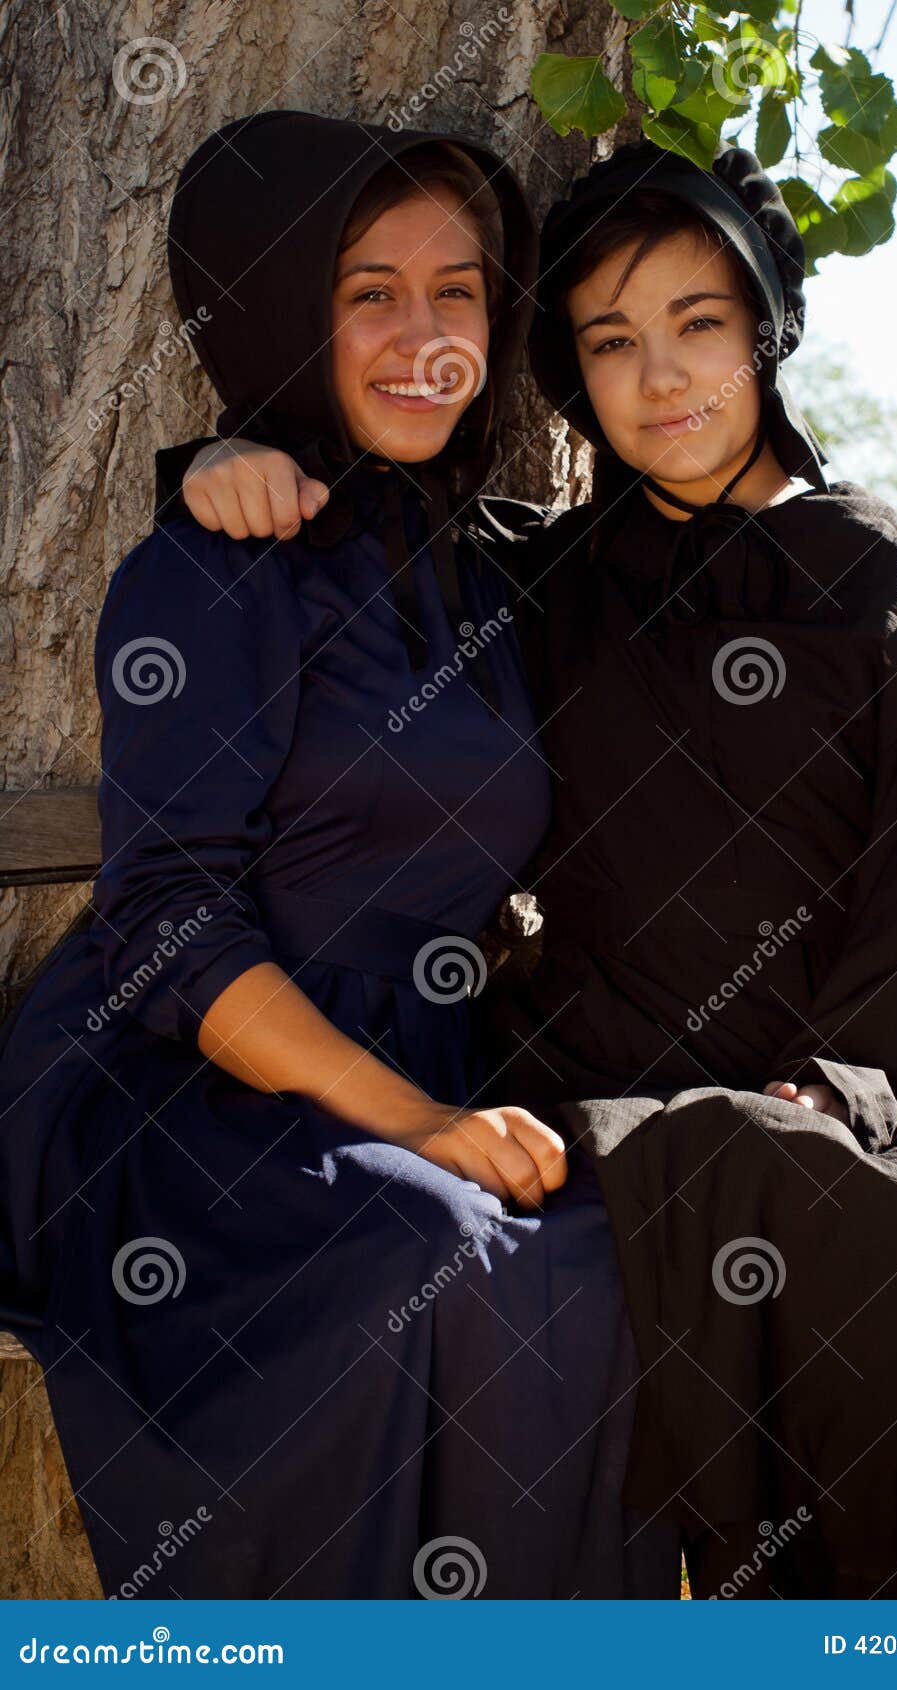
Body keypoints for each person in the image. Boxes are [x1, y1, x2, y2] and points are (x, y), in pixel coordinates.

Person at [169, 145, 897, 1600]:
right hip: (590, 1072)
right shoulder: (535, 577)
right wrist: (211, 456)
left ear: (766, 328)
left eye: (698, 323)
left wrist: (836, 1089)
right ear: (571, 376)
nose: (661, 378)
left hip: (854, 1075)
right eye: (609, 342)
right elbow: (348, 535)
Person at [0, 111, 683, 1600]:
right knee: (438, 1252)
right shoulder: (213, 561)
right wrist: (422, 1121)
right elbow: (170, 927)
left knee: (598, 1248)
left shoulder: (489, 569)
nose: (425, 332)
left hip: (414, 1052)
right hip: (189, 1084)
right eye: (368, 290)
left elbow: (706, 573)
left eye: (460, 292)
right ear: (282, 313)